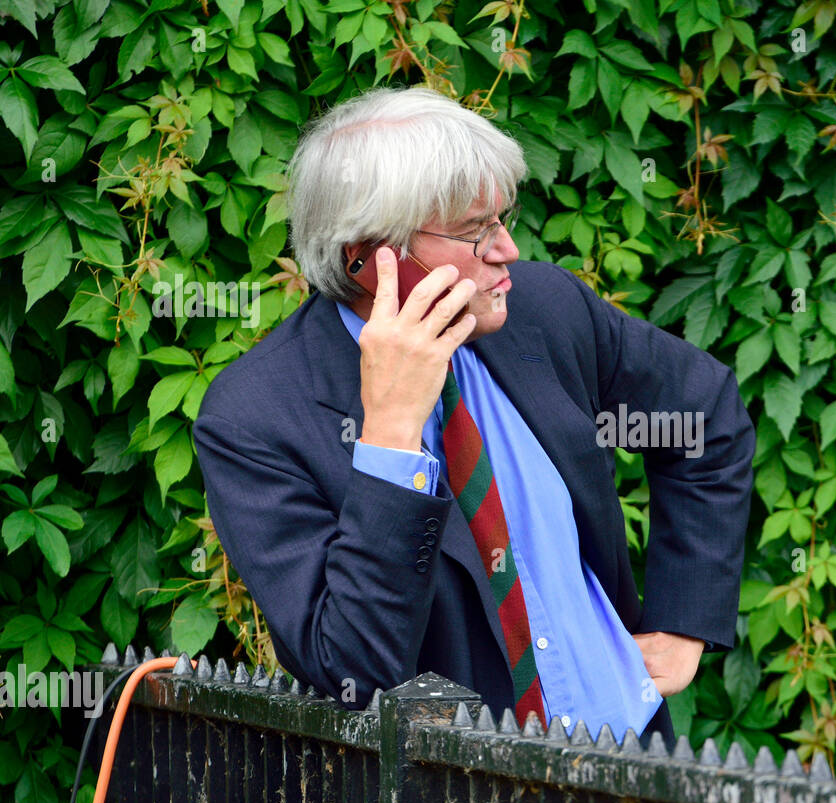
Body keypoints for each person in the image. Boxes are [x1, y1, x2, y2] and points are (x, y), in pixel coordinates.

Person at [192, 87, 755, 746]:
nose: (507, 250)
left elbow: (704, 416)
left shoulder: (545, 310)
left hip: (631, 757)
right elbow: (353, 671)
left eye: (501, 219)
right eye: (472, 231)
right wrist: (392, 437)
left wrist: (684, 616)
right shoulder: (255, 417)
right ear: (369, 257)